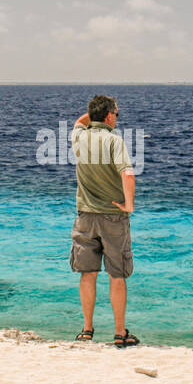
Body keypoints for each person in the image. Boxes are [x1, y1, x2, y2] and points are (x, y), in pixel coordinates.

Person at [68, 94, 139, 347]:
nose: (117, 118)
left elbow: (79, 121)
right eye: (116, 114)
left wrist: (94, 114)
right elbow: (128, 175)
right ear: (109, 116)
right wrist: (128, 206)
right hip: (113, 218)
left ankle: (87, 330)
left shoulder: (78, 138)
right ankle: (120, 333)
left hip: (85, 216)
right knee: (116, 275)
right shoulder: (114, 141)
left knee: (88, 273)